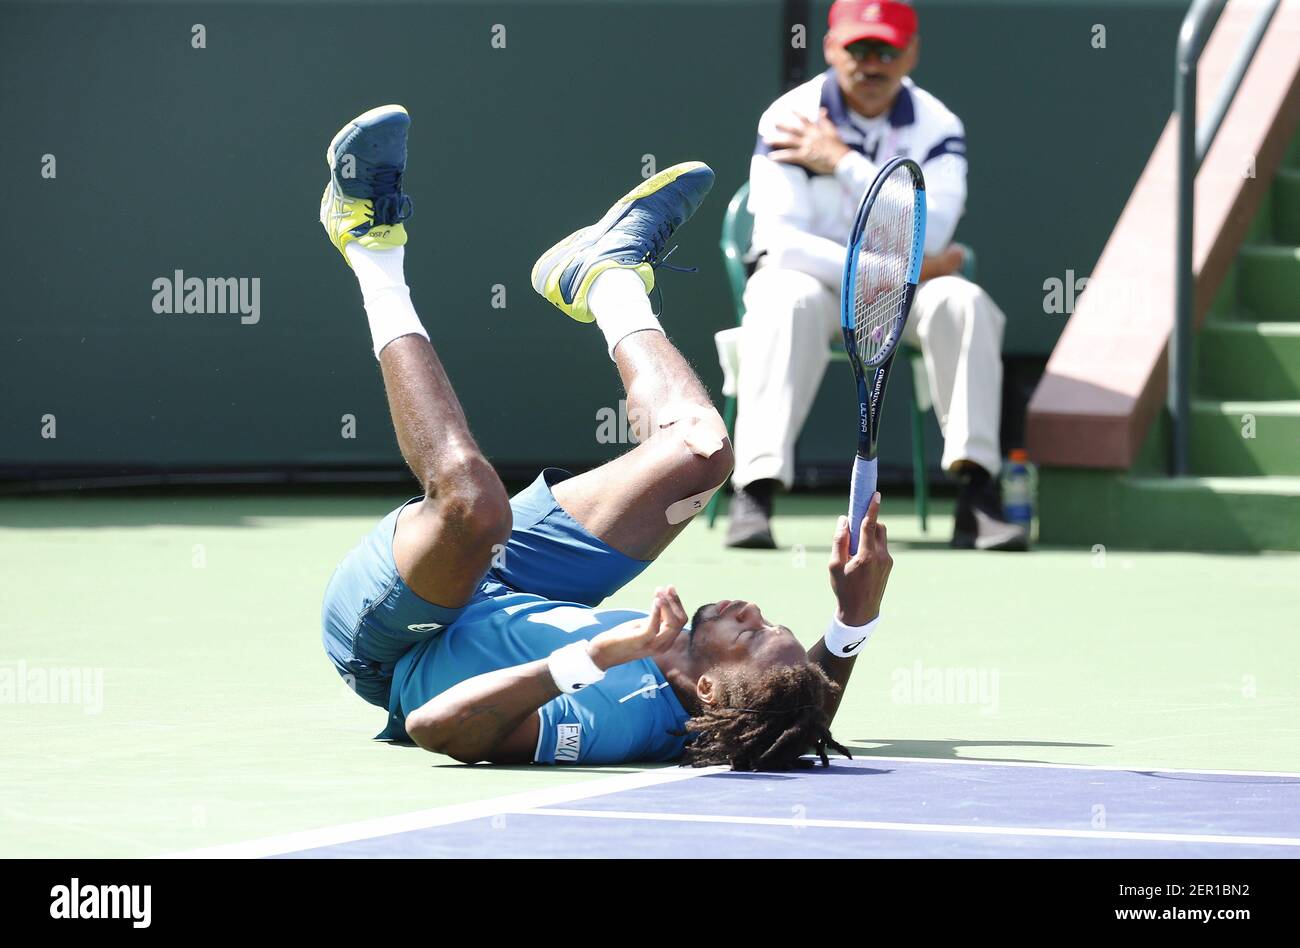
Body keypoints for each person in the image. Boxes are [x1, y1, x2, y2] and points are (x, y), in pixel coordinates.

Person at [317, 105, 893, 770]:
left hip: (396, 640)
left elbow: (436, 726)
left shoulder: (614, 719)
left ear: (705, 689)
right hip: (511, 587)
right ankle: (606, 275)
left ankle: (369, 243)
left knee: (474, 505)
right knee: (703, 454)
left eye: (753, 634)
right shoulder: (728, 692)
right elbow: (798, 714)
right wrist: (852, 622)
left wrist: (589, 660)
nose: (754, 611)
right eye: (773, 622)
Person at [727, 0, 1027, 552]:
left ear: (910, 53)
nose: (872, 63)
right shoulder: (788, 116)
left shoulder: (938, 124)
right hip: (814, 286)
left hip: (903, 295)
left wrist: (841, 160)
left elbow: (931, 233)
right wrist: (907, 267)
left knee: (965, 302)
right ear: (831, 48)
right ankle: (755, 491)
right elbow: (782, 244)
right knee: (783, 299)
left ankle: (977, 492)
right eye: (858, 48)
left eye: (886, 49)